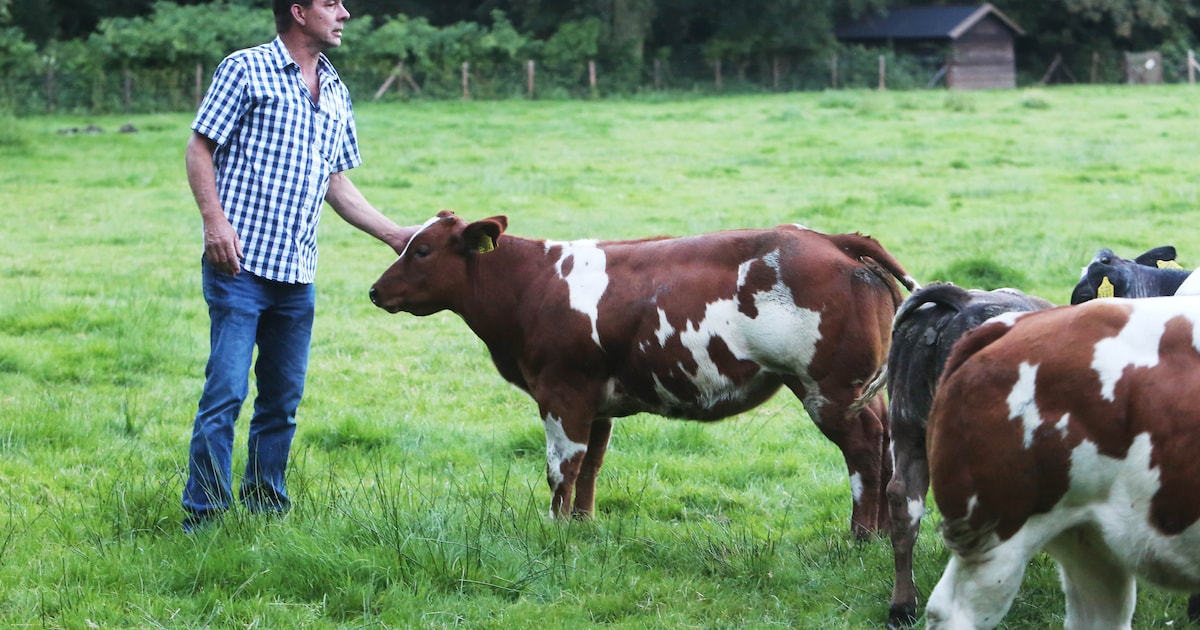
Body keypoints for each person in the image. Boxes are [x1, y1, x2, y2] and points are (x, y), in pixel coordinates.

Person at [182, 0, 411, 531]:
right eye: (331, 3)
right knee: (226, 395)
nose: (345, 13)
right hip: (239, 265)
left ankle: (264, 506)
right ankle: (206, 517)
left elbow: (334, 179)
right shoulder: (246, 68)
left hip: (297, 273)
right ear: (298, 11)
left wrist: (394, 234)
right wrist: (215, 223)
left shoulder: (334, 87)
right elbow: (199, 147)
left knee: (281, 402)